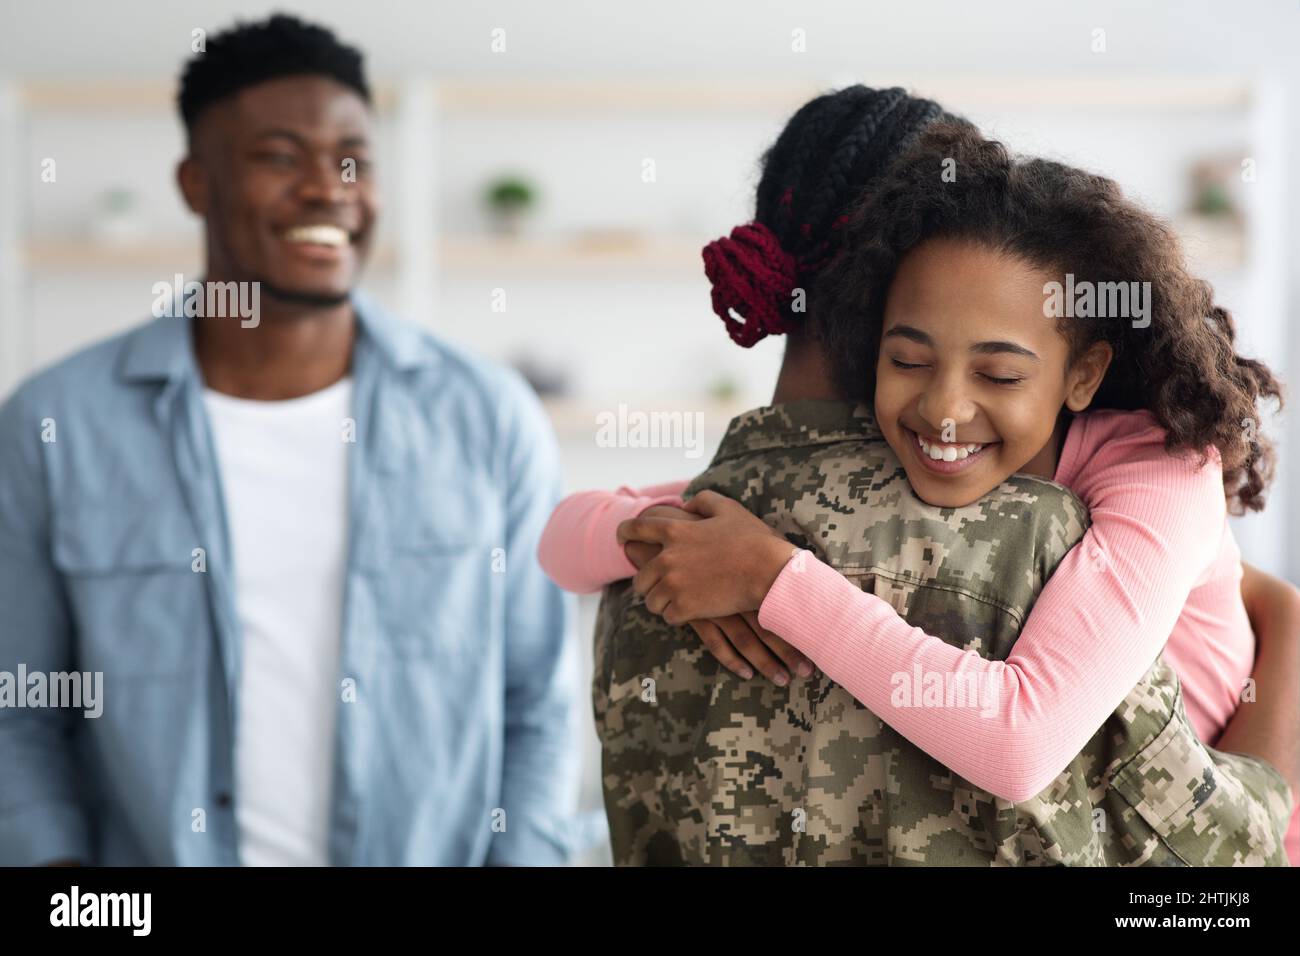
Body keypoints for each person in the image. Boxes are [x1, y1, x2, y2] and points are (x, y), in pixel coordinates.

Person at [541, 99, 1296, 864]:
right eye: (907, 360)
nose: (944, 405)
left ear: (1082, 373)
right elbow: (561, 536)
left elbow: (1021, 742)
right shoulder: (906, 453)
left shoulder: (1152, 467)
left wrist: (774, 578)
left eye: (999, 371)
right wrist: (678, 542)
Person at [0, 14, 578, 866]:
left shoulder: (489, 418)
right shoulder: (58, 424)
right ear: (198, 183)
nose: (328, 186)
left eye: (355, 158)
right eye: (280, 156)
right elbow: (22, 712)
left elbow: (538, 706)